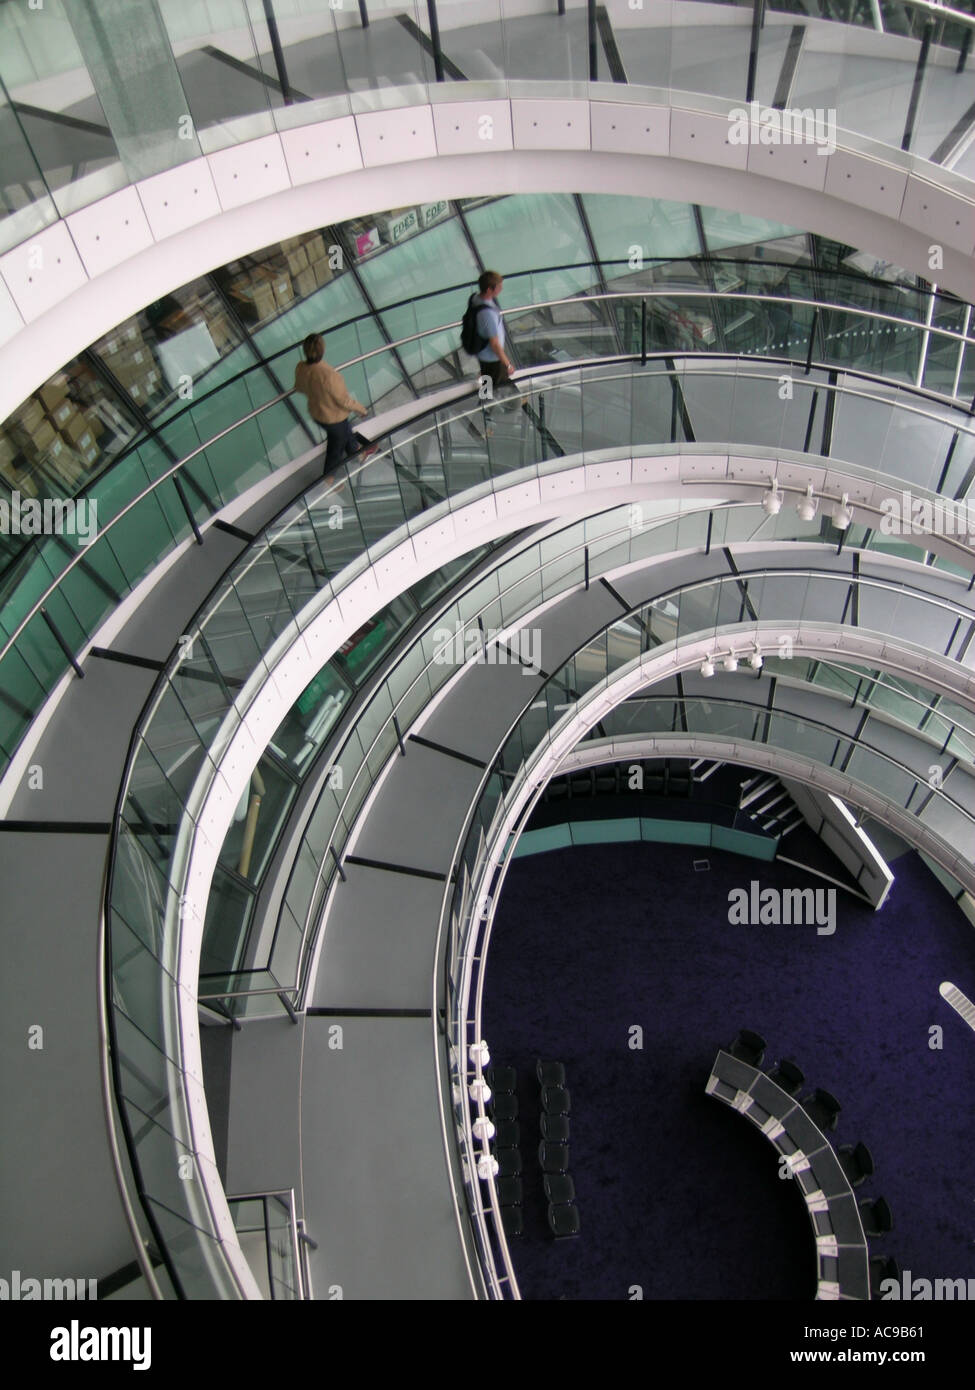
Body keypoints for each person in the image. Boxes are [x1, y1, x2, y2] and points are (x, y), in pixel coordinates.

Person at [294, 333, 376, 478]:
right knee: (336, 447)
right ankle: (329, 480)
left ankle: (357, 452)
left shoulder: (301, 368)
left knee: (346, 430)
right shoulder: (329, 376)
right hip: (333, 417)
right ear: (322, 350)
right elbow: (344, 400)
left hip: (317, 413)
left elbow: (299, 387)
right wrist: (362, 410)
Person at [472, 270, 520, 406]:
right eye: (499, 286)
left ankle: (482, 416)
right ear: (489, 289)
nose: (501, 289)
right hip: (493, 358)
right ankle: (483, 413)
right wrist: (508, 364)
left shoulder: (477, 300)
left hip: (485, 356)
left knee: (488, 385)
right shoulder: (488, 313)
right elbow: (494, 344)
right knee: (503, 387)